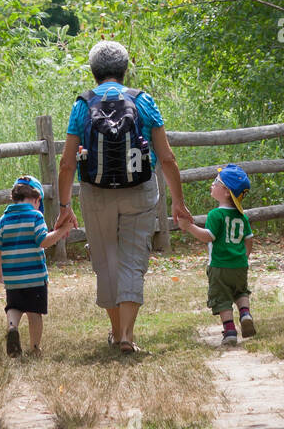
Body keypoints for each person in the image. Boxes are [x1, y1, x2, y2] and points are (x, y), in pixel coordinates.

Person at [47, 40, 193, 355]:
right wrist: (178, 203)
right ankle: (127, 334)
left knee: (107, 260)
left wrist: (63, 206)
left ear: (94, 71)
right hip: (140, 190)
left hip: (96, 192)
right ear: (125, 70)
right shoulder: (144, 101)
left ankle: (115, 331)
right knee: (133, 259)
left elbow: (67, 162)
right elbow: (166, 158)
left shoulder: (82, 105)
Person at [179, 163, 256, 346]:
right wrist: (244, 257)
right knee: (240, 291)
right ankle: (245, 313)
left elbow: (208, 237)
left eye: (216, 182)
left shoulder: (215, 214)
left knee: (222, 298)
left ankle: (230, 331)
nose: (212, 184)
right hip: (239, 266)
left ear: (227, 192)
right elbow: (249, 239)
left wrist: (189, 227)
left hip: (219, 267)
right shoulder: (242, 216)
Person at [0, 176, 59, 357]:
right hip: (34, 277)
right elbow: (43, 241)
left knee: (14, 307)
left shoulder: (3, 220)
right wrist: (60, 232)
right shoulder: (35, 216)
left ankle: (12, 327)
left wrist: (2, 273)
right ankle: (35, 348)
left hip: (12, 278)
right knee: (34, 313)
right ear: (37, 199)